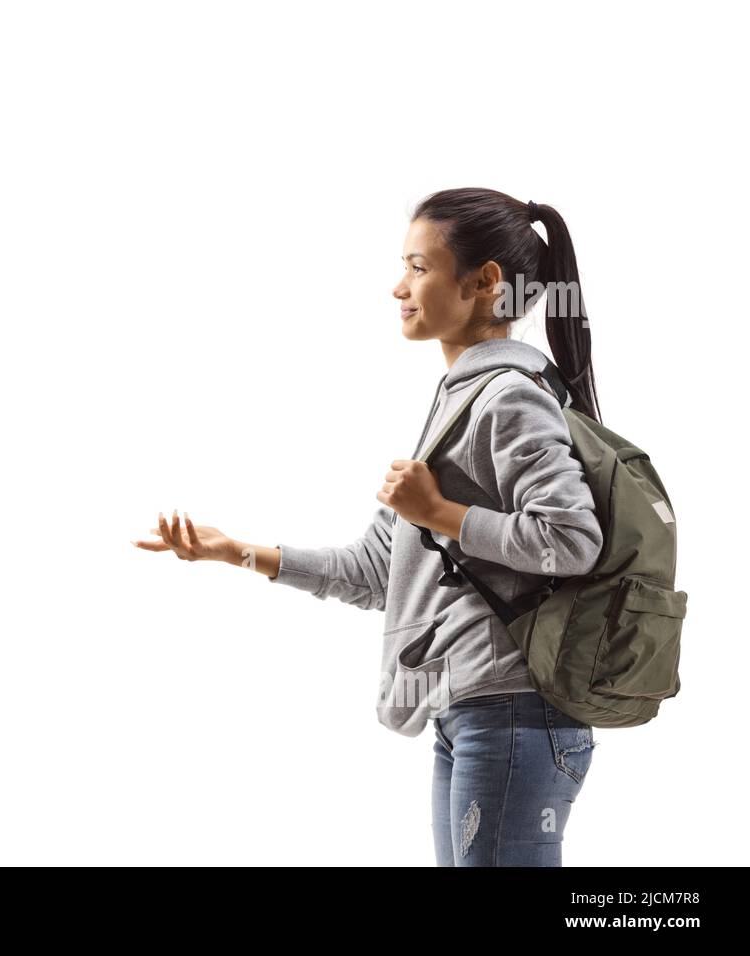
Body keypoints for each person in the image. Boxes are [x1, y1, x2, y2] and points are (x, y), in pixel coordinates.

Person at [134, 188, 603, 866]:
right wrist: (235, 552)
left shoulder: (508, 398)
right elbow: (378, 573)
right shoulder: (460, 402)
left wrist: (438, 513)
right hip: (472, 710)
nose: (398, 287)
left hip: (513, 713)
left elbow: (571, 541)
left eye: (418, 266)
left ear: (484, 282)